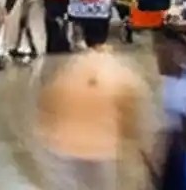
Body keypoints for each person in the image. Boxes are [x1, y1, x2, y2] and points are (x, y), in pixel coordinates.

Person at [35, 26, 151, 190]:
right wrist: (134, 147)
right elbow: (131, 112)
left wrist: (46, 133)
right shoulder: (121, 71)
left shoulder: (67, 69)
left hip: (65, 147)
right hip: (101, 150)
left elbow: (47, 103)